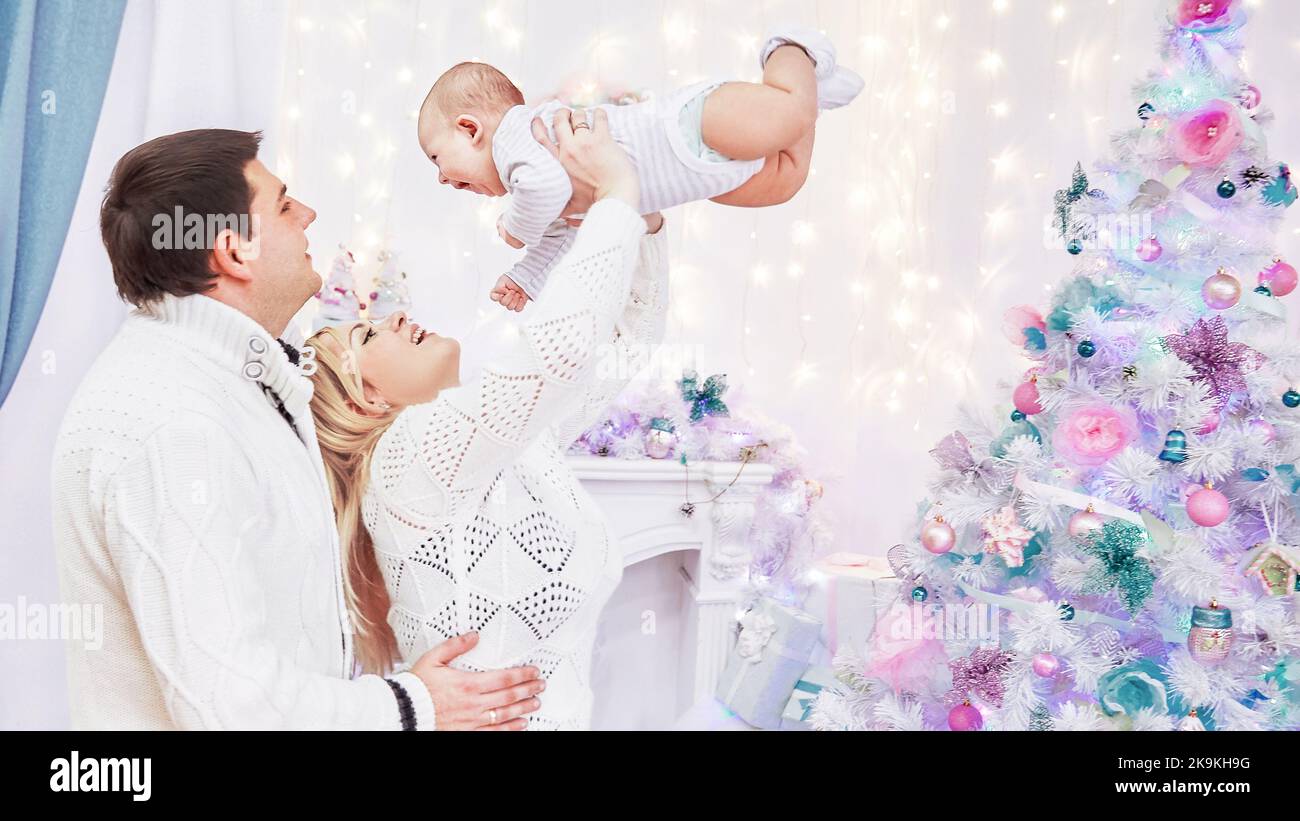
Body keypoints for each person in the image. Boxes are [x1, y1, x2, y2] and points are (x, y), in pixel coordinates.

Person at [51, 128, 543, 729]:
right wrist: (412, 706)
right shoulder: (172, 419)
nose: (308, 214)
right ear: (233, 253)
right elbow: (230, 704)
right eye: (284, 205)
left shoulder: (235, 382)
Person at [307, 107, 669, 729]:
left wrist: (646, 219)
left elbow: (625, 343)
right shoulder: (407, 459)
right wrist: (615, 198)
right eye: (367, 335)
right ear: (366, 400)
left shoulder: (505, 450)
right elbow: (558, 349)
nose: (393, 318)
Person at [417, 26, 862, 310]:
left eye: (437, 158)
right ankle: (813, 93)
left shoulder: (519, 135)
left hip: (691, 128)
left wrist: (516, 227)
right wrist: (526, 277)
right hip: (695, 178)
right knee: (787, 177)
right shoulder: (527, 182)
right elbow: (561, 236)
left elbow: (545, 188)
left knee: (788, 117)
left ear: (470, 128)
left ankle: (790, 50)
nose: (440, 178)